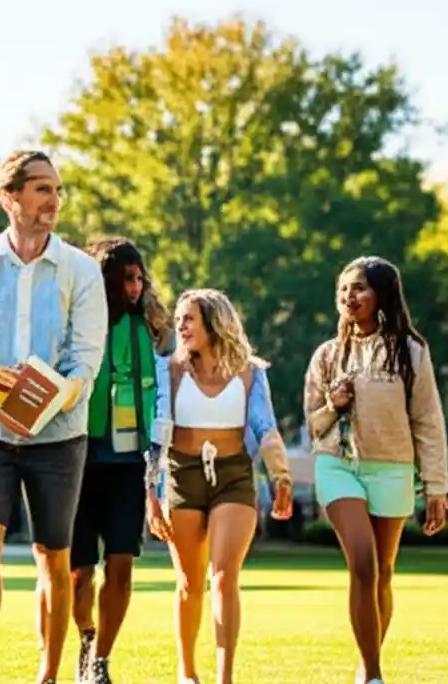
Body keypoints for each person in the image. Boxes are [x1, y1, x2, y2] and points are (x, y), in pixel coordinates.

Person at [0, 150, 108, 684]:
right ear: (9, 197)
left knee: (51, 555)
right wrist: (5, 399)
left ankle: (48, 675)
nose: (53, 200)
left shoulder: (82, 271)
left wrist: (38, 406)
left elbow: (85, 359)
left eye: (57, 190)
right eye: (41, 189)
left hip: (60, 435)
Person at [304, 256, 448, 684]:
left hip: (393, 469)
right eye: (345, 288)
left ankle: (367, 662)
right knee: (363, 564)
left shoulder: (411, 353)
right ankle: (372, 673)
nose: (350, 296)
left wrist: (436, 488)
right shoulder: (328, 355)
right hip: (339, 466)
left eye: (361, 288)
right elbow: (313, 425)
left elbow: (428, 421)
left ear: (382, 295)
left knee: (383, 575)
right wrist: (334, 403)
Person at [145, 288, 292, 684]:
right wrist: (151, 494)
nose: (181, 325)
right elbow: (156, 435)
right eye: (179, 318)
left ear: (214, 322)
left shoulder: (251, 372)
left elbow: (265, 428)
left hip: (234, 475)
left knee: (225, 576)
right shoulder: (167, 370)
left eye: (189, 318)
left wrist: (281, 475)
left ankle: (225, 678)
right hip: (182, 474)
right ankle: (187, 672)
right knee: (191, 584)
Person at [71, 238, 173, 684]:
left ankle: (102, 662)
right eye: (125, 278)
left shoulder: (151, 328)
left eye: (139, 278)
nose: (134, 286)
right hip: (78, 460)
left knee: (121, 564)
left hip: (129, 465)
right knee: (78, 575)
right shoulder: (78, 324)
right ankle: (86, 637)